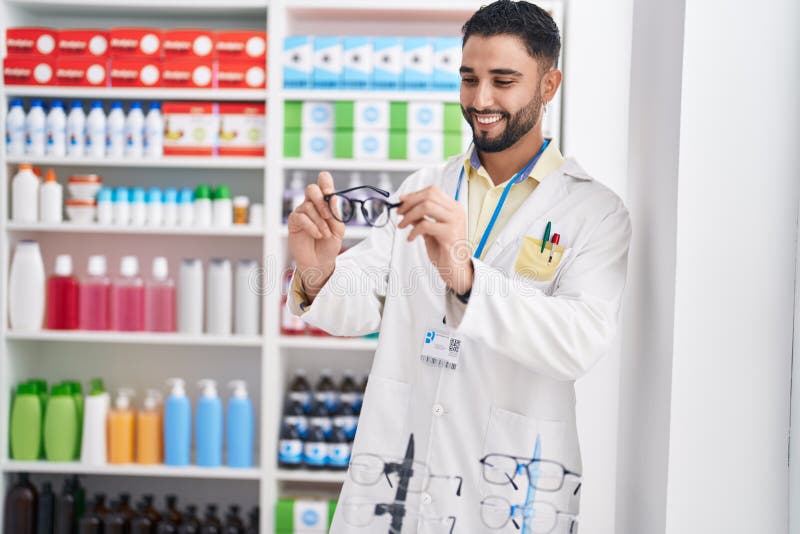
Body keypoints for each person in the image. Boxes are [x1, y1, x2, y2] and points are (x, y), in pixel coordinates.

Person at [287, 1, 631, 531]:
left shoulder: (594, 211)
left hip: (507, 482)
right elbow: (364, 303)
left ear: (549, 85)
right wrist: (319, 271)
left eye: (503, 80)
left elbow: (578, 342)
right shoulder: (425, 186)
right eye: (469, 79)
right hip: (399, 468)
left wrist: (467, 279)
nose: (481, 99)